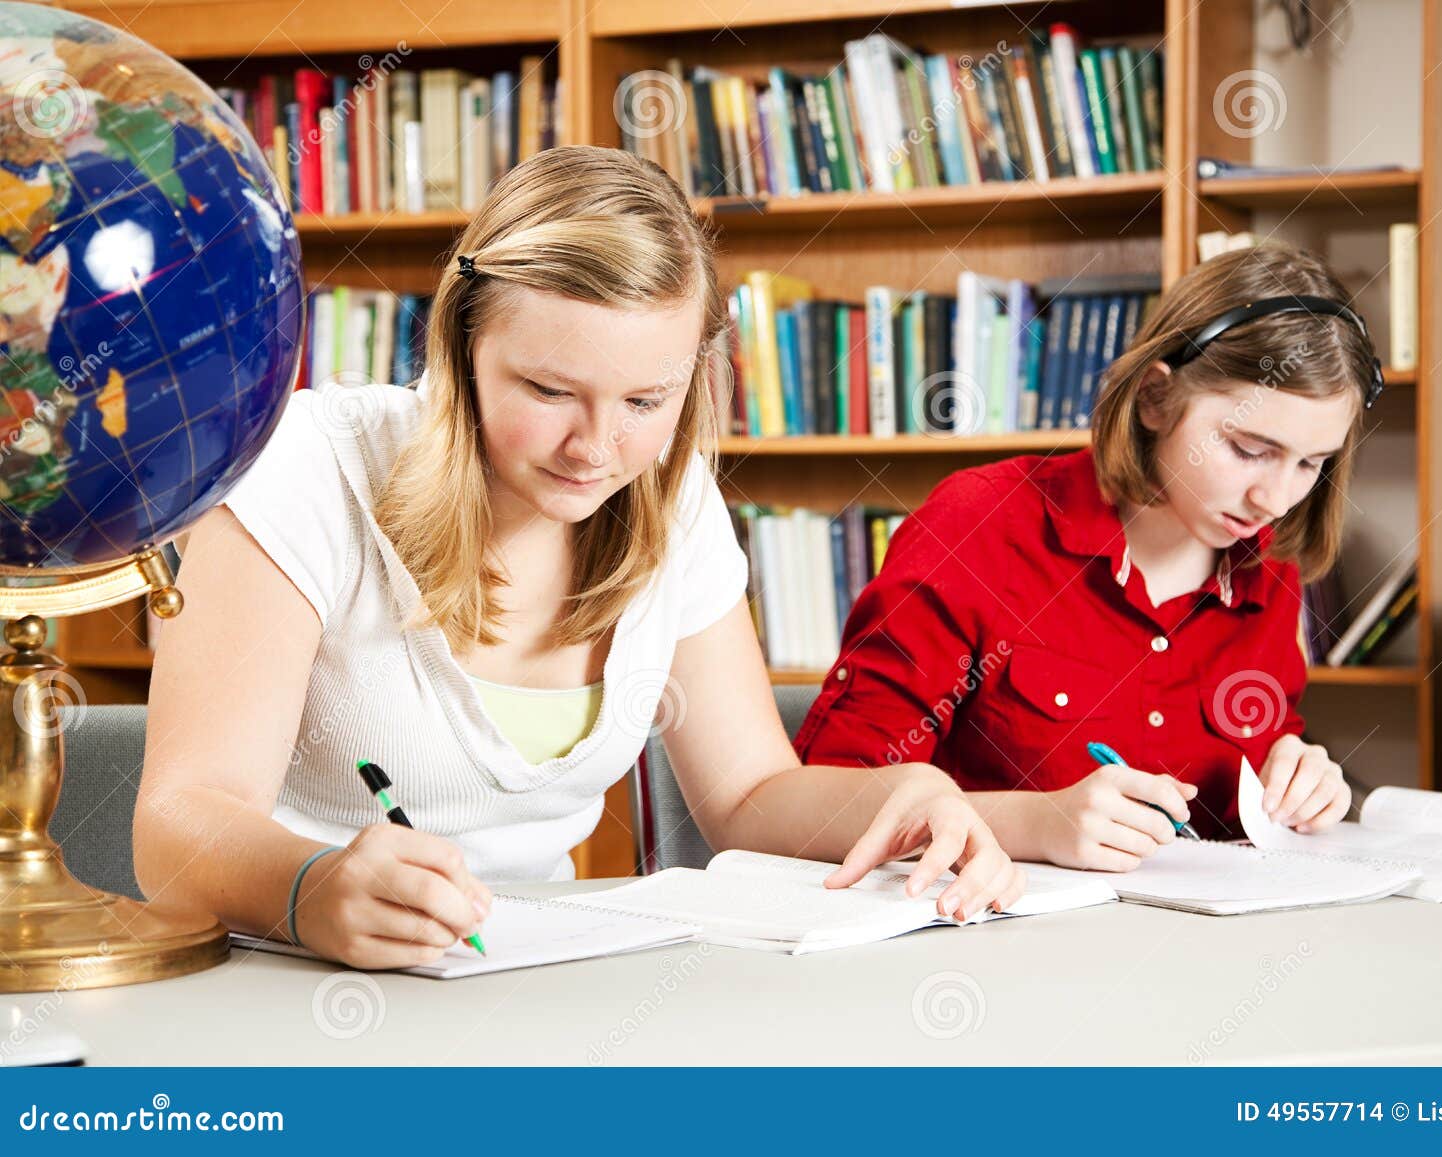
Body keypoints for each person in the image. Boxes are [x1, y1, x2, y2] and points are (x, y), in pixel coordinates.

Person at [134, 147, 1023, 969]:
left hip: (531, 985)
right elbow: (179, 825)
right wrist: (312, 888)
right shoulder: (307, 468)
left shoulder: (672, 503)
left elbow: (748, 796)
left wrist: (900, 794)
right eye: (551, 390)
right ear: (463, 349)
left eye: (646, 398)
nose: (595, 447)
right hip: (288, 982)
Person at [795, 243, 1377, 870]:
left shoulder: (1269, 572)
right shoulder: (979, 526)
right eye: (1248, 449)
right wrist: (1034, 824)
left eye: (1311, 464)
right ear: (1156, 400)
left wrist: (1298, 780)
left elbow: (1253, 778)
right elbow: (830, 801)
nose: (1276, 498)